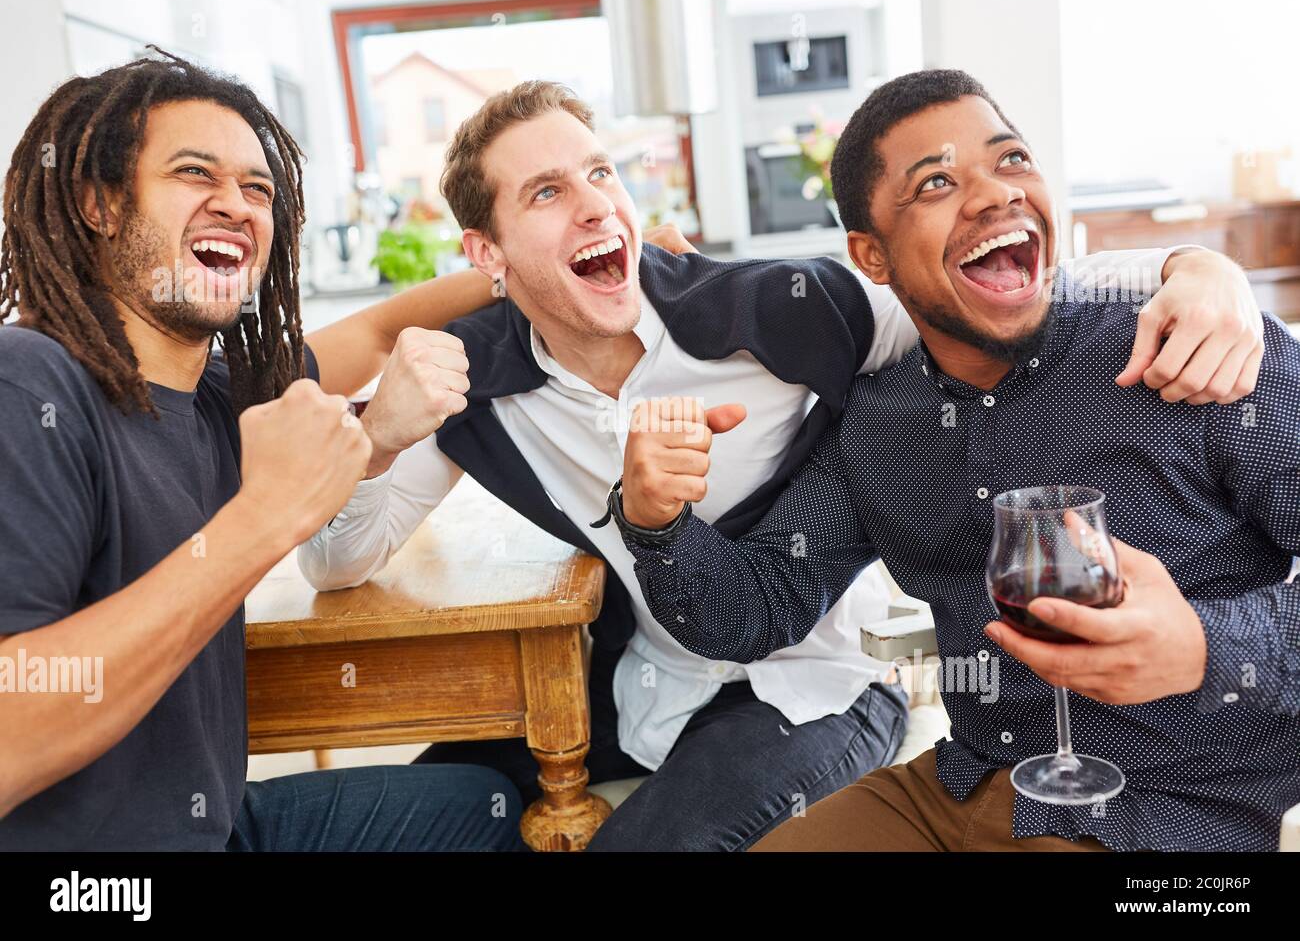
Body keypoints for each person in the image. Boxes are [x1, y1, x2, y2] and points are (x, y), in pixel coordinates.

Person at [300, 79, 1265, 851]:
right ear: (487, 253)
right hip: (656, 672)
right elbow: (337, 565)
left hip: (815, 685)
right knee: (419, 812)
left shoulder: (781, 312)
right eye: (547, 192)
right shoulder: (475, 375)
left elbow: (1002, 299)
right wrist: (377, 438)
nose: (595, 204)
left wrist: (1199, 271)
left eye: (602, 174)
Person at [612, 69, 1299, 852]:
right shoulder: (879, 422)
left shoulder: (1194, 351)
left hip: (1175, 807)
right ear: (872, 255)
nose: (995, 193)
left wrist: (1207, 648)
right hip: (961, 785)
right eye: (937, 181)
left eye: (1011, 161)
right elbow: (758, 608)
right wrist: (655, 521)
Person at [0, 52, 522, 851]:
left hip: (216, 831)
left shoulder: (213, 391)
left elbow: (381, 330)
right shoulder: (28, 385)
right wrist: (265, 519)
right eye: (192, 173)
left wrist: (541, 267)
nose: (235, 206)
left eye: (257, 189)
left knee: (493, 803)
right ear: (100, 205)